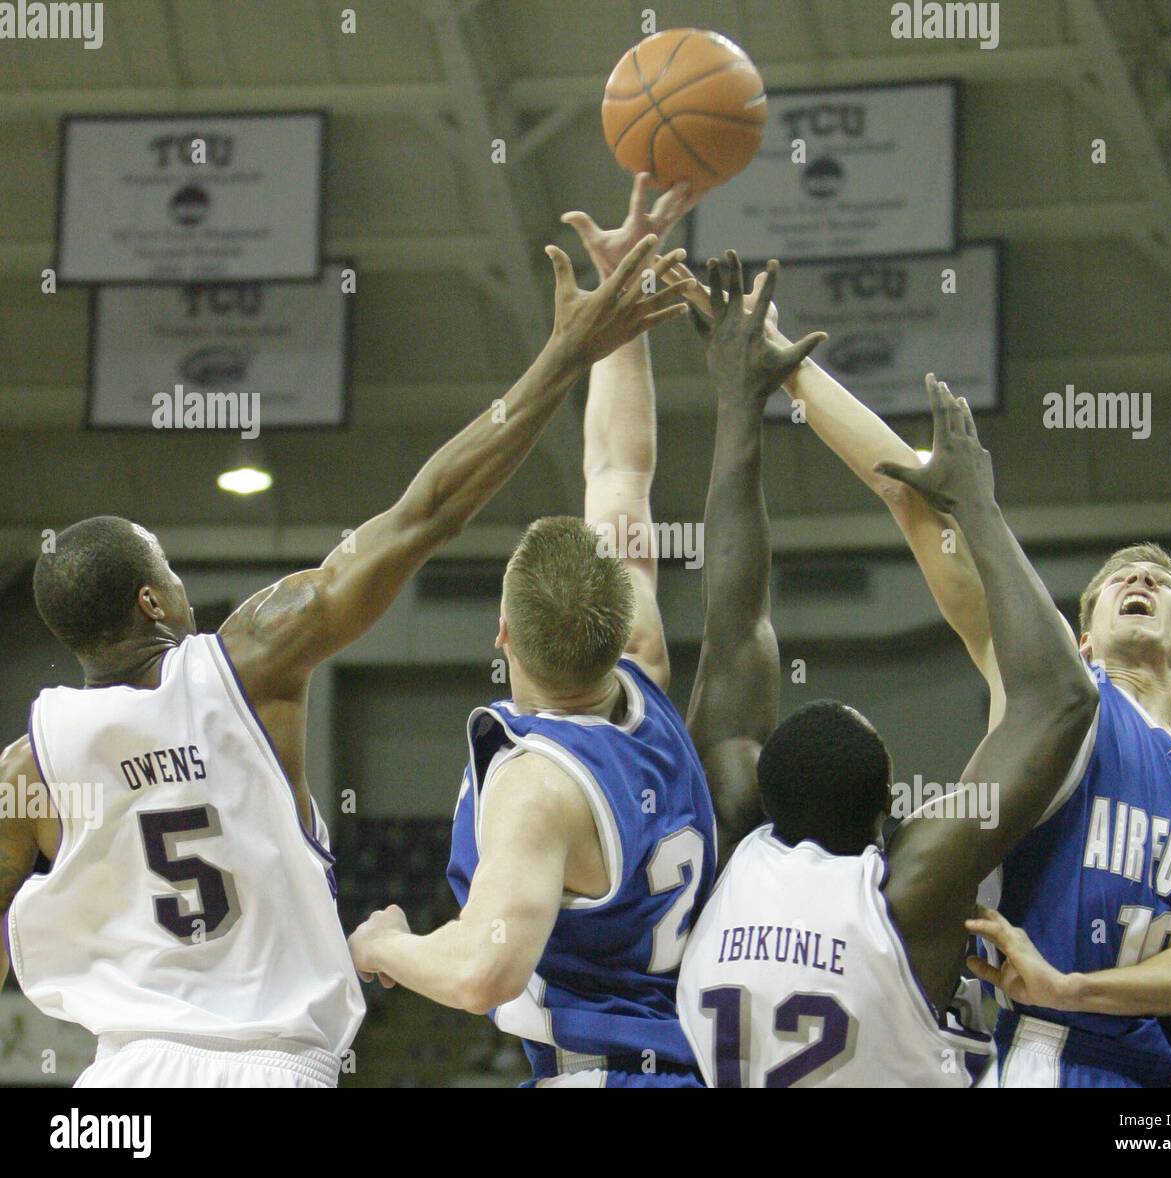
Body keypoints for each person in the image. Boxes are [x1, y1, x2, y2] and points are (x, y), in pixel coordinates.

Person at [0, 231, 684, 1089]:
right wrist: (563, 355)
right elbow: (427, 512)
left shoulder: (29, 767)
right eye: (167, 568)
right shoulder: (250, 660)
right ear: (151, 601)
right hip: (270, 1067)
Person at [727, 272, 1171, 1086]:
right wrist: (791, 371)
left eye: (1163, 586)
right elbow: (909, 494)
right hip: (1041, 1052)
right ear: (1081, 639)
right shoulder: (1051, 700)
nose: (1142, 580)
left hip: (1157, 1075)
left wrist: (1078, 985)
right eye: (1120, 579)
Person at [674, 257, 1098, 1087]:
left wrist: (736, 403)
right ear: (886, 815)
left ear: (759, 787)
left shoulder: (730, 853)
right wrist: (976, 503)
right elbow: (1063, 692)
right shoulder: (907, 892)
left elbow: (732, 627)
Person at [347, 178, 720, 1088]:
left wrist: (387, 945)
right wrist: (619, 316)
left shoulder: (536, 785)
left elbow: (484, 971)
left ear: (502, 630)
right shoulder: (645, 675)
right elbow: (620, 471)